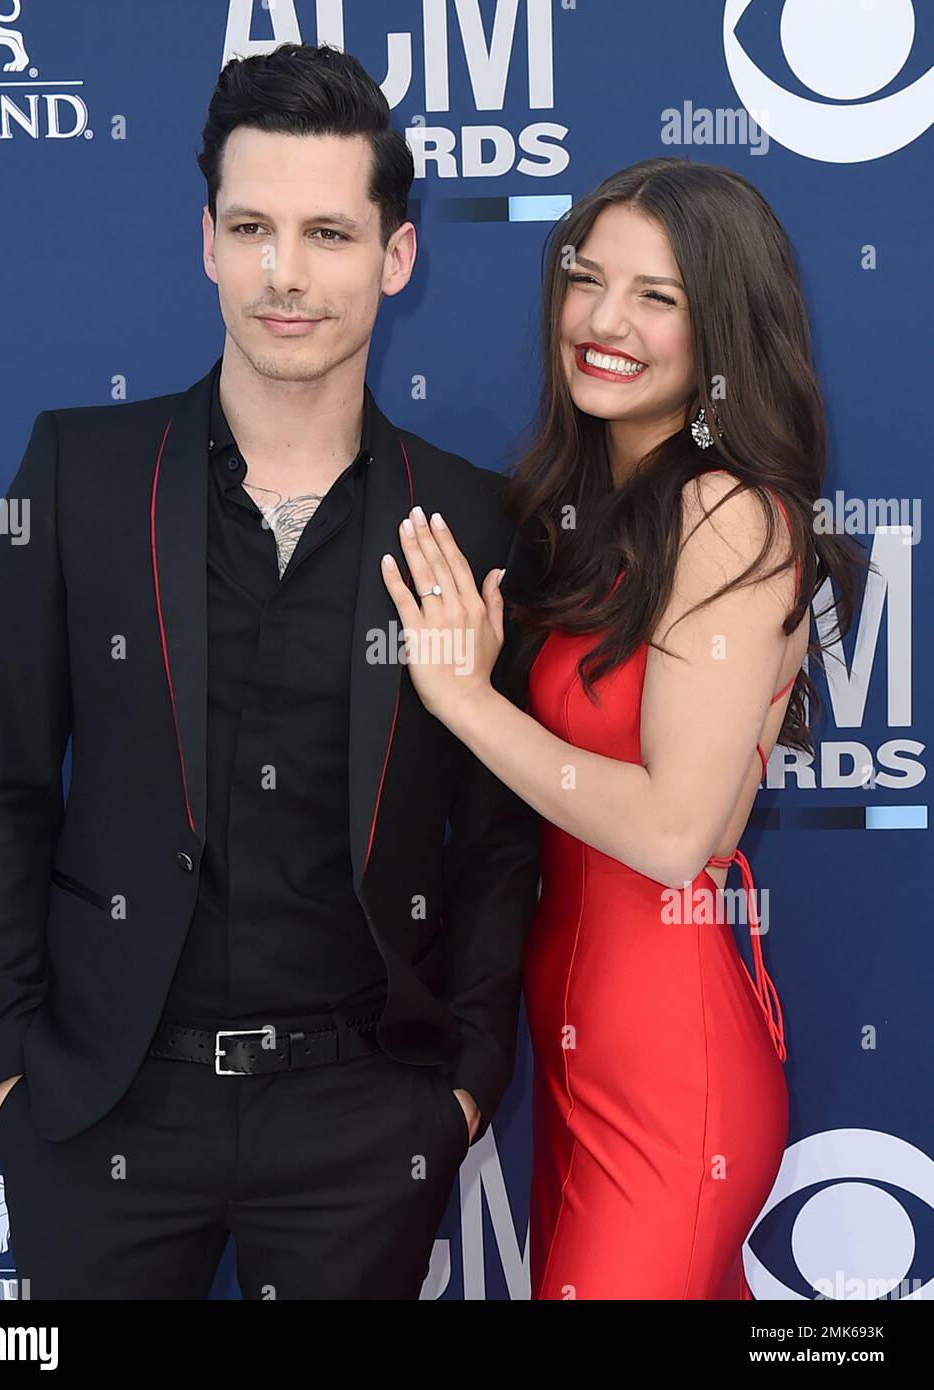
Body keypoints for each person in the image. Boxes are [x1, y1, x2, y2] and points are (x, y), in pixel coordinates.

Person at [0, 42, 540, 1300]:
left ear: (396, 257)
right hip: (102, 1110)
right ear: (206, 240)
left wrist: (463, 1091)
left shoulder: (476, 522)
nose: (286, 274)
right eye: (252, 226)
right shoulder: (78, 473)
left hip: (362, 1123)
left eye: (329, 232)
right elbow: (2, 786)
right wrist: (5, 1072)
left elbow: (496, 840)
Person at [380, 157, 865, 1299]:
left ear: (724, 329)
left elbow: (670, 833)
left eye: (658, 296)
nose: (602, 321)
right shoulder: (595, 513)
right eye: (586, 279)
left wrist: (464, 698)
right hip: (575, 1045)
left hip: (664, 1058)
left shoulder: (728, 509)